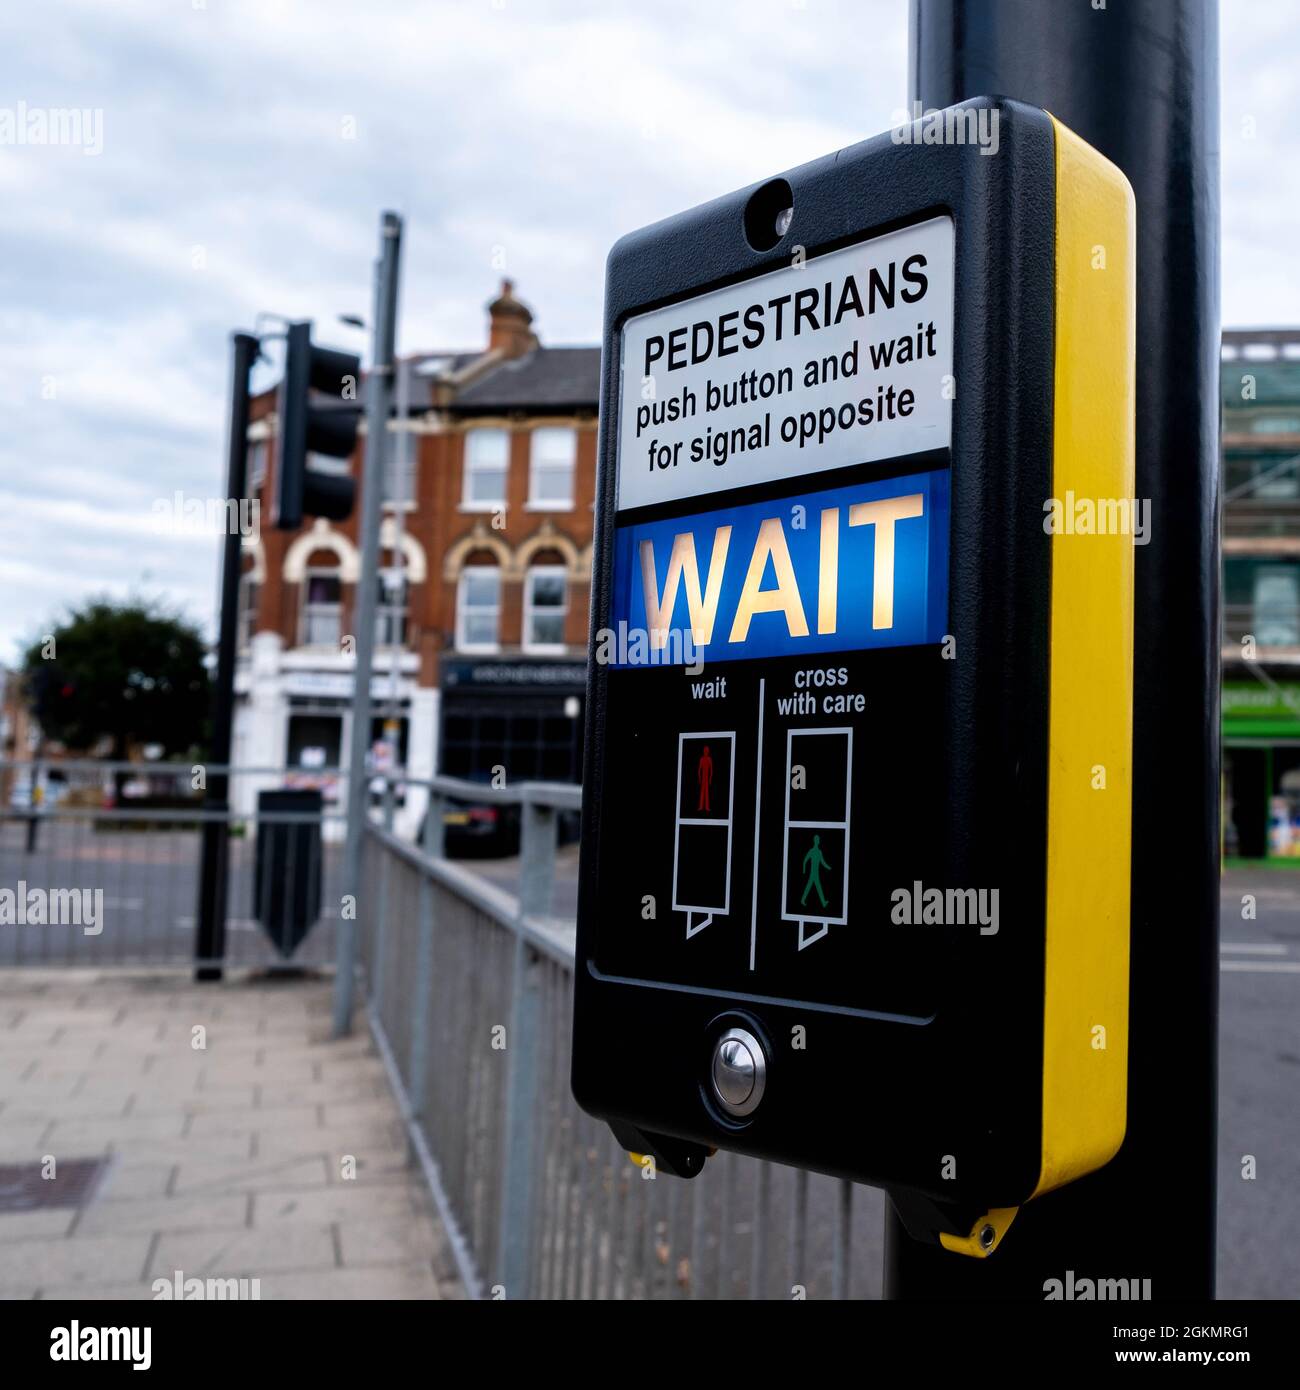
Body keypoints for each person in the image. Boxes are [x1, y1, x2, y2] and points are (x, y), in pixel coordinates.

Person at [800, 833, 831, 909]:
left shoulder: (819, 852)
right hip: (813, 874)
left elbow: (823, 862)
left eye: (819, 839)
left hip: (816, 874)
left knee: (814, 887)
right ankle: (822, 903)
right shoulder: (811, 851)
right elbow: (805, 860)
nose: (819, 841)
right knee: (814, 887)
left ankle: (822, 902)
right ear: (816, 841)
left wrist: (828, 867)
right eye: (818, 840)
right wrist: (804, 870)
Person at [697, 744, 714, 813]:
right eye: (705, 750)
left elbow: (711, 770)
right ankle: (701, 807)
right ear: (703, 751)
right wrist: (699, 778)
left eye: (707, 750)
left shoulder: (709, 759)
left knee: (706, 792)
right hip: (703, 778)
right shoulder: (701, 759)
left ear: (708, 751)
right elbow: (699, 769)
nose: (706, 751)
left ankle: (707, 807)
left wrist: (710, 779)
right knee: (702, 792)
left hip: (706, 778)